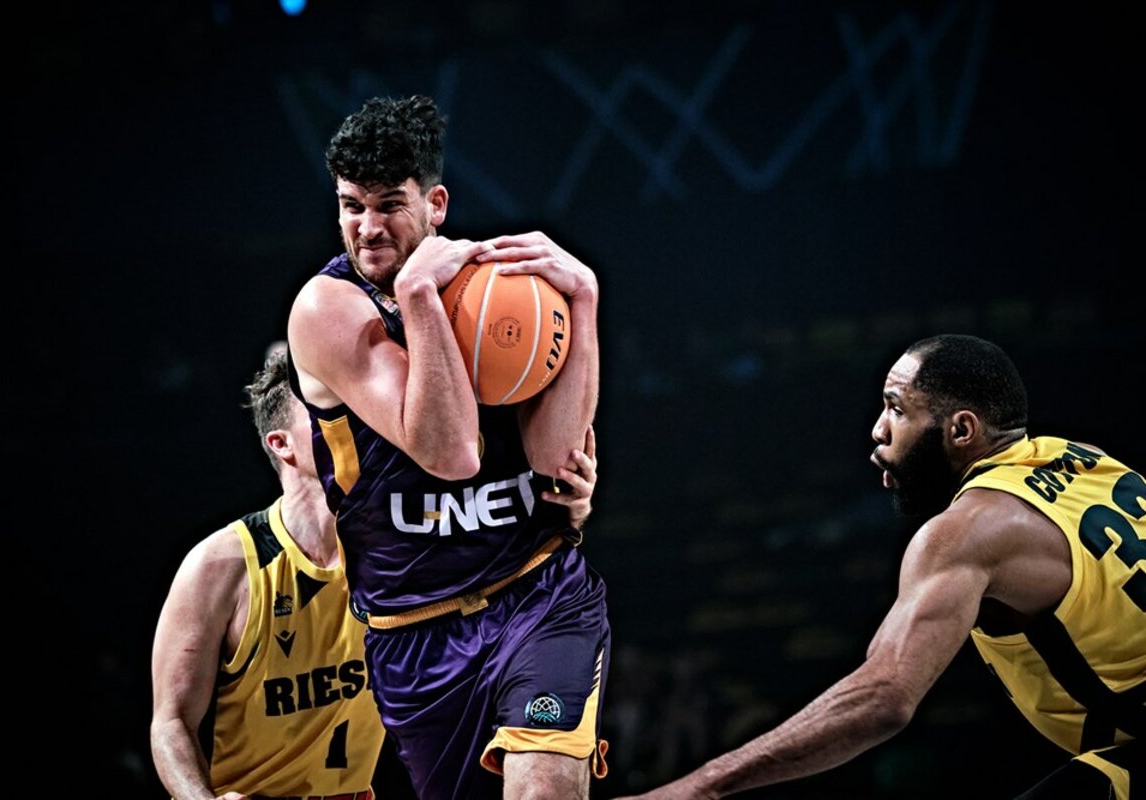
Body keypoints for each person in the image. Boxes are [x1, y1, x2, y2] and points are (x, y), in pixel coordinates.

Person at [620, 334, 1142, 800]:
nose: (877, 430)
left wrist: (699, 786)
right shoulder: (1088, 460)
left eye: (896, 409)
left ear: (961, 429)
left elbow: (885, 696)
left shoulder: (965, 531)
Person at [284, 93, 609, 800]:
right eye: (351, 207)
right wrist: (419, 296)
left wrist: (582, 298)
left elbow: (554, 461)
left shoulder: (502, 289)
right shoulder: (326, 309)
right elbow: (452, 453)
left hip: (539, 598)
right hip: (416, 633)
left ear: (435, 204)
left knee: (544, 787)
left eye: (389, 205)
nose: (368, 228)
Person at [149, 344, 604, 799]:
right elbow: (170, 723)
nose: (356, 419)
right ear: (282, 445)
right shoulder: (223, 565)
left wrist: (567, 508)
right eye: (325, 411)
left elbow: (512, 561)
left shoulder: (405, 548)